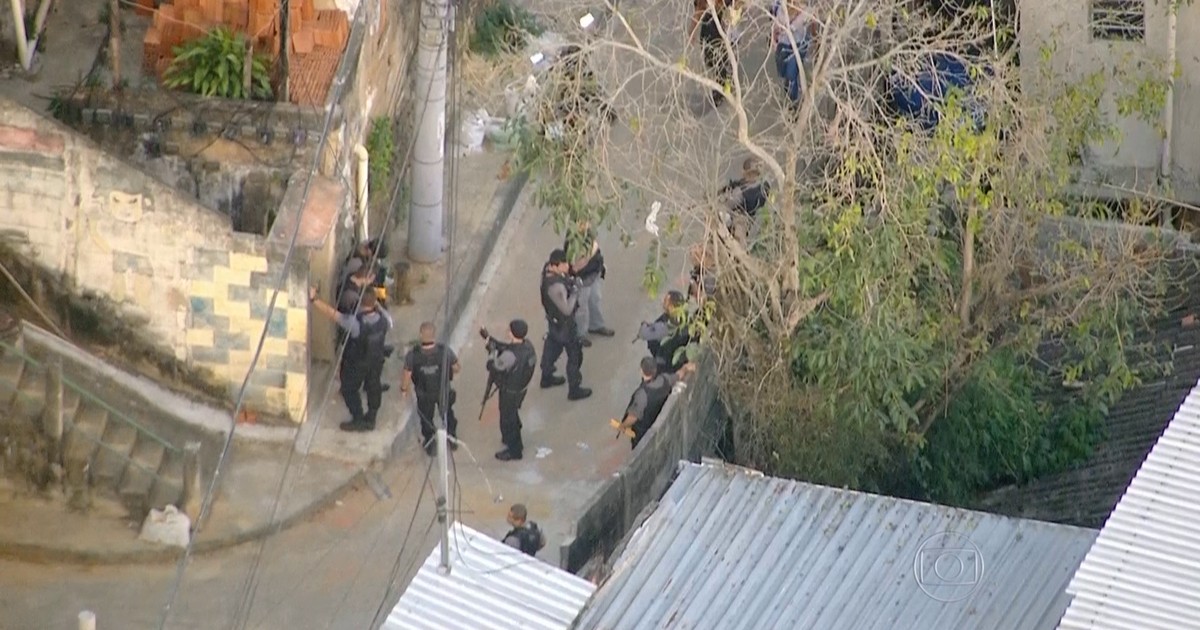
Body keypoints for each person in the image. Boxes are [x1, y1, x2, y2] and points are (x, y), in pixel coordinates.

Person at [309, 287, 392, 432]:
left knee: (349, 389)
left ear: (360, 302)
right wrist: (376, 304)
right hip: (376, 360)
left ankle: (358, 418)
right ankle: (371, 418)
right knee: (374, 387)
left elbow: (332, 314)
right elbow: (387, 320)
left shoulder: (355, 323)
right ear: (374, 301)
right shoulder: (384, 318)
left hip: (357, 363)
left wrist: (314, 299)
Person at [402, 322, 461, 456]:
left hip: (424, 394)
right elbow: (457, 367)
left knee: (426, 419)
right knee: (447, 414)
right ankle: (452, 439)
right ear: (434, 335)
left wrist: (403, 389)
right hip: (443, 391)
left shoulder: (413, 354)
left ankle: (431, 444)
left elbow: (407, 373)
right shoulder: (444, 351)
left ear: (420, 335)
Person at [540, 249, 592, 401]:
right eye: (564, 265)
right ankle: (574, 389)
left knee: (552, 348)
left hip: (553, 322)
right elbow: (567, 310)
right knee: (574, 355)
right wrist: (575, 290)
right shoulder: (556, 287)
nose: (567, 266)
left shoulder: (547, 271)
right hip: (565, 327)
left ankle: (546, 377)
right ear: (555, 266)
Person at [483, 320, 537, 461]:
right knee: (512, 414)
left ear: (512, 333)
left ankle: (514, 451)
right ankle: (512, 434)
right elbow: (509, 347)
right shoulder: (528, 346)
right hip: (520, 388)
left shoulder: (509, 356)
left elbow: (493, 366)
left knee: (508, 419)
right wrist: (493, 341)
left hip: (509, 391)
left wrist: (491, 352)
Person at [616, 357, 697, 449]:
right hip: (657, 422)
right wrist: (685, 367)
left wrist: (622, 426)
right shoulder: (665, 379)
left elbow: (633, 417)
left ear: (641, 371)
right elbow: (679, 375)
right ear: (655, 370)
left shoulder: (642, 394)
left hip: (643, 433)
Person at [564, 222, 615, 348]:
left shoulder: (588, 235)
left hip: (594, 274)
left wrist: (599, 263)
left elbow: (596, 249)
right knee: (581, 308)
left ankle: (596, 325)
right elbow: (574, 267)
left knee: (595, 300)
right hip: (582, 279)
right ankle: (579, 334)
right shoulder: (572, 242)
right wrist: (591, 252)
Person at [771, 0, 818, 108]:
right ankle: (789, 93)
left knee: (791, 74)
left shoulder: (804, 11)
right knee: (783, 73)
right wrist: (774, 40)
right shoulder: (781, 9)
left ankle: (793, 103)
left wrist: (816, 39)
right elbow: (775, 25)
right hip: (783, 44)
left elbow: (813, 21)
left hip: (797, 45)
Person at [636, 290, 695, 375]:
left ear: (671, 306)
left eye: (665, 301)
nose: (663, 302)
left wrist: (644, 324)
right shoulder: (685, 318)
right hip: (678, 360)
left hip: (665, 363)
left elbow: (644, 333)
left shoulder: (667, 326)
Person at [690, 0, 736, 107]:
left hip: (724, 28)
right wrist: (692, 31)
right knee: (712, 59)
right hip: (710, 29)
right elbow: (698, 10)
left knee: (722, 59)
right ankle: (724, 81)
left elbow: (739, 6)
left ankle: (722, 88)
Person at [718, 157, 772, 242]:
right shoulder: (765, 185)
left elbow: (728, 206)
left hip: (743, 221)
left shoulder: (742, 192)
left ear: (745, 173)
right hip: (757, 221)